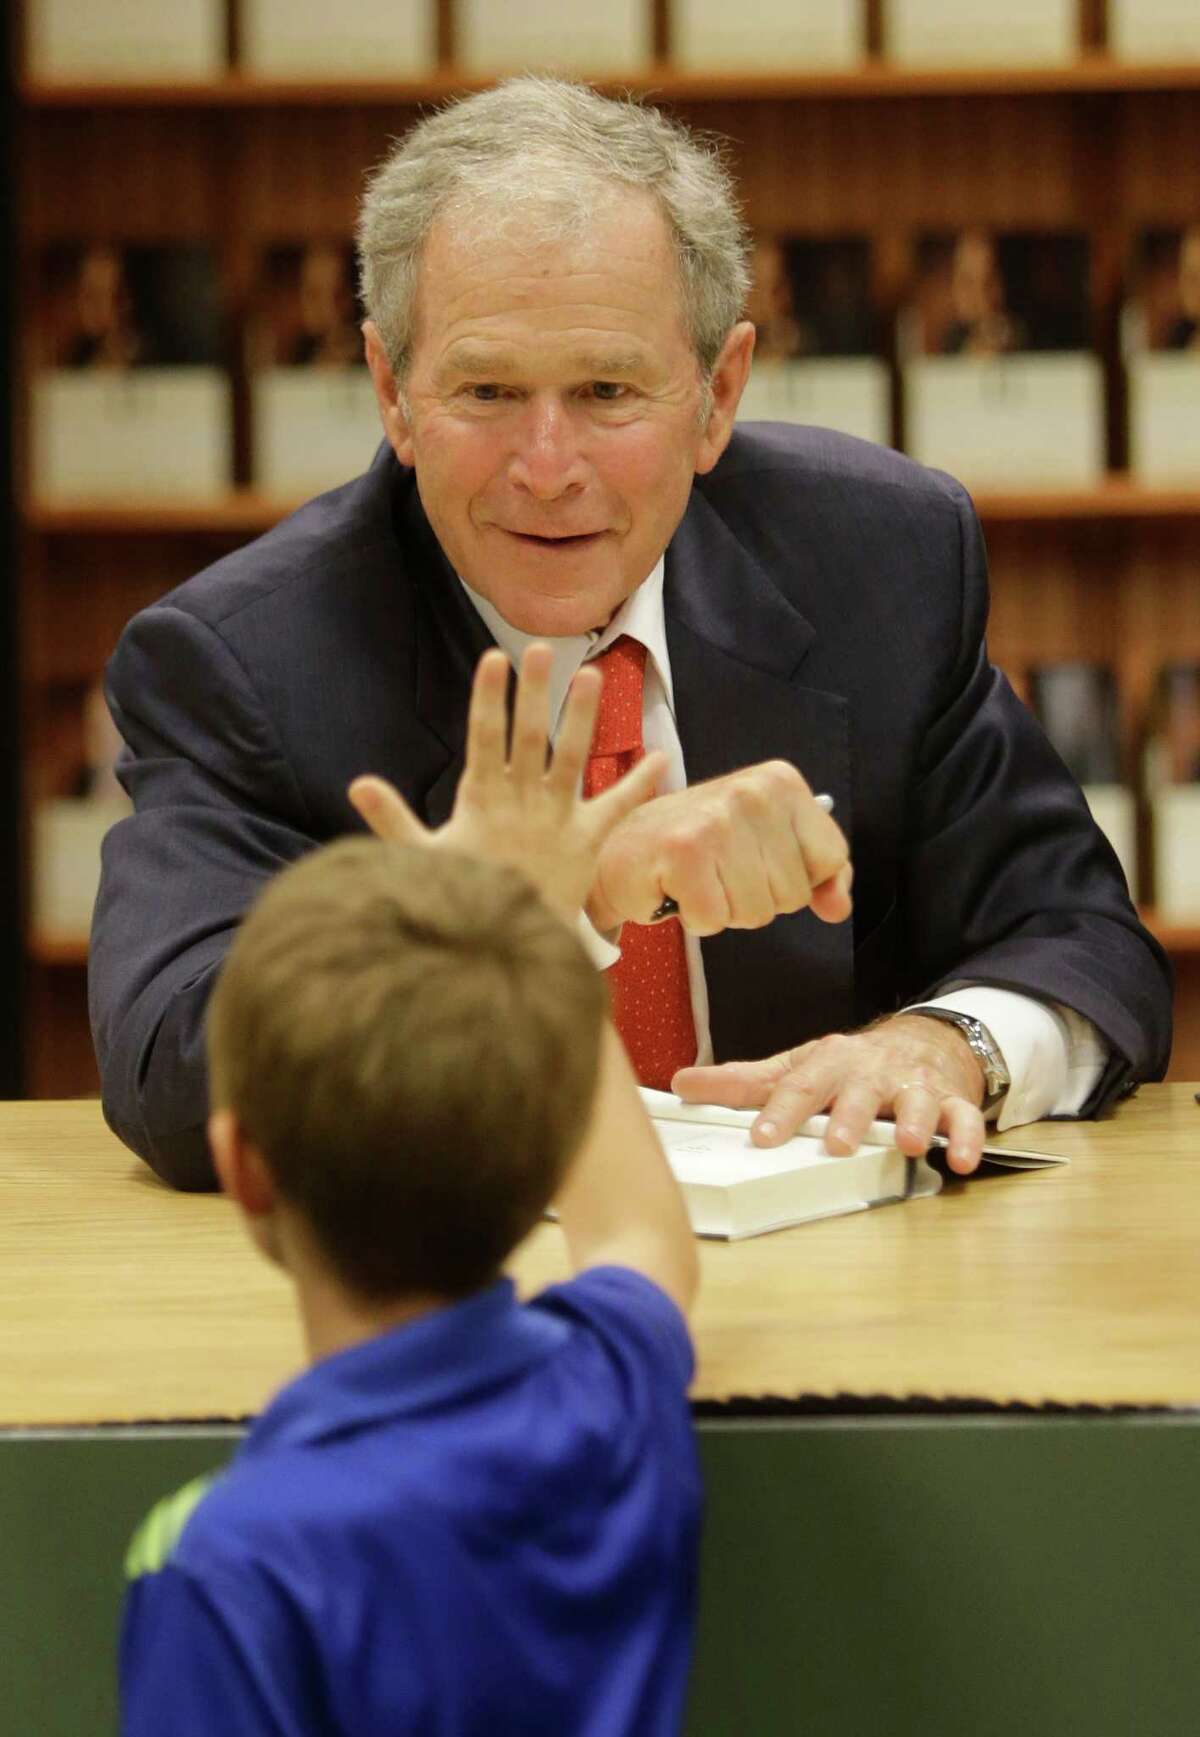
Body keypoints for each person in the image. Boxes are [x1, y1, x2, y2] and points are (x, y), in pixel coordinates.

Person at [90, 75, 1172, 1194]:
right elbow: (172, 1068)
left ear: (717, 396)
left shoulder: (881, 561)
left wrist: (946, 1047)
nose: (547, 467)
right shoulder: (241, 660)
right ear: (393, 393)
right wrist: (552, 896)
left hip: (837, 1260)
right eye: (487, 392)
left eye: (607, 391)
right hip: (460, 1268)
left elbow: (1083, 939)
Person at [119, 646, 701, 1735]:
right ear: (543, 1157)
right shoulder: (612, 1395)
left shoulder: (223, 1562)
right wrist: (540, 915)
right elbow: (640, 1229)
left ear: (243, 1167)